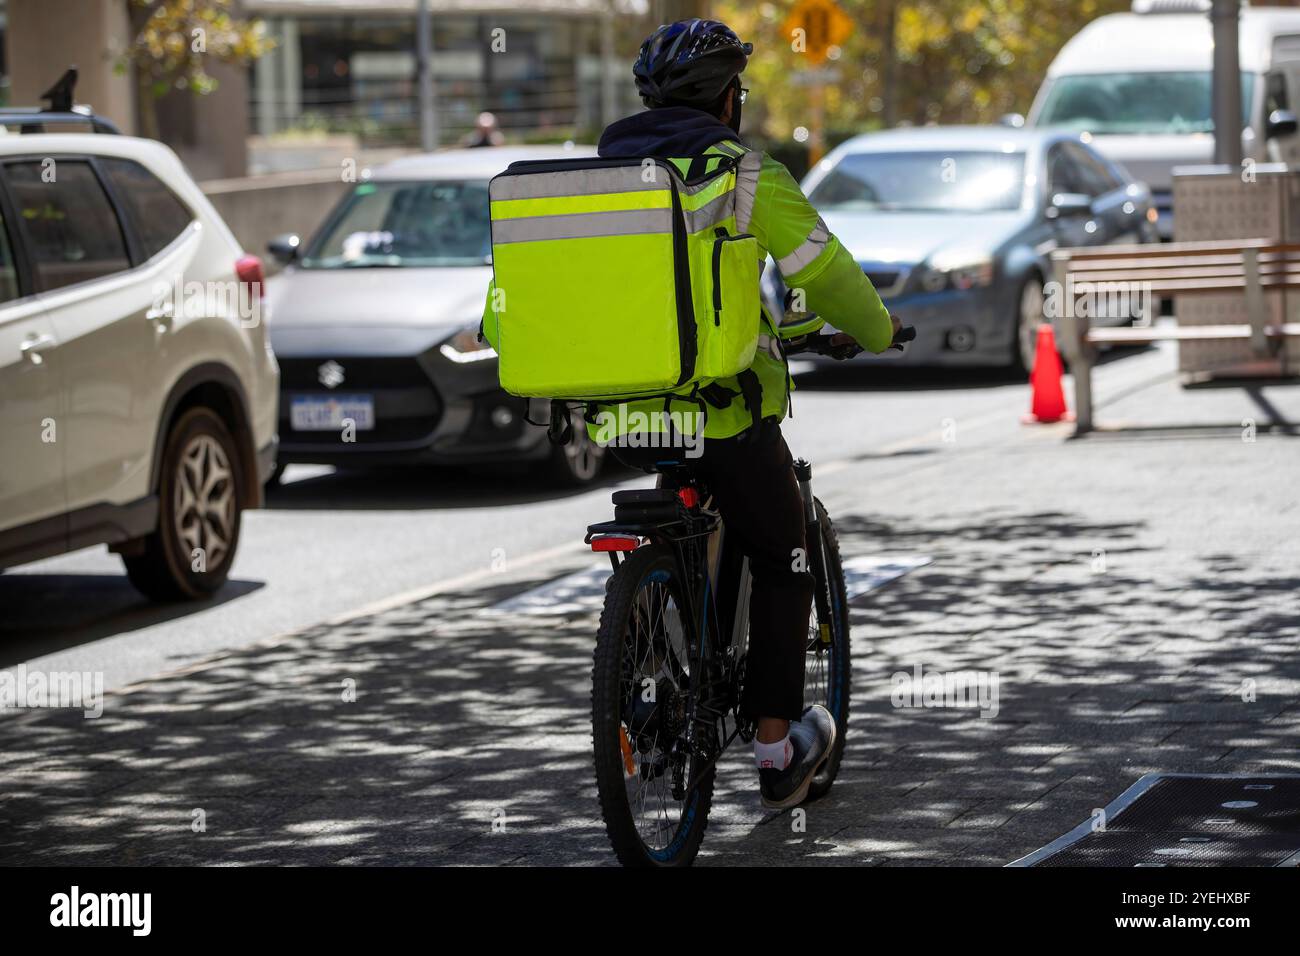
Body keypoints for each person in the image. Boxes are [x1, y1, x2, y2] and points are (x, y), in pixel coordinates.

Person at [489, 19, 899, 810]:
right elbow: (826, 267)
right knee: (782, 551)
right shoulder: (743, 173)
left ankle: (665, 661)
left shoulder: (593, 181)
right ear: (728, 98)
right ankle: (778, 752)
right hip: (720, 415)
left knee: (700, 510)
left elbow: (512, 302)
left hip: (616, 421)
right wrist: (878, 330)